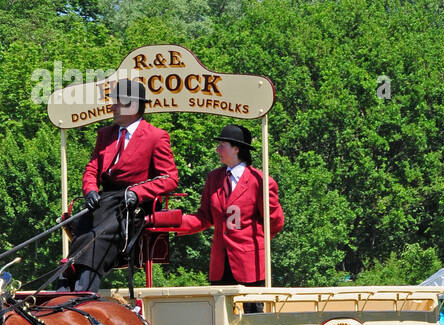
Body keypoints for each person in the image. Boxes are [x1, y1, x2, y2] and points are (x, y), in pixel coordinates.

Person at [65, 79, 179, 292]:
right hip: (104, 200)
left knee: (101, 230)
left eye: (118, 102)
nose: (112, 107)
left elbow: (169, 178)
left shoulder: (156, 137)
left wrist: (137, 193)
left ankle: (84, 287)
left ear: (133, 106)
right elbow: (91, 169)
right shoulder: (105, 134)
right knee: (81, 222)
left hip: (132, 203)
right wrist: (89, 190)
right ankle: (67, 279)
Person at [151, 123, 284, 292]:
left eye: (222, 146)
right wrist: (168, 221)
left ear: (236, 149)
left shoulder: (260, 181)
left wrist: (254, 244)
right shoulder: (214, 178)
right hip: (220, 266)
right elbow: (204, 217)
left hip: (250, 266)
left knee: (251, 315)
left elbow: (275, 222)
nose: (217, 150)